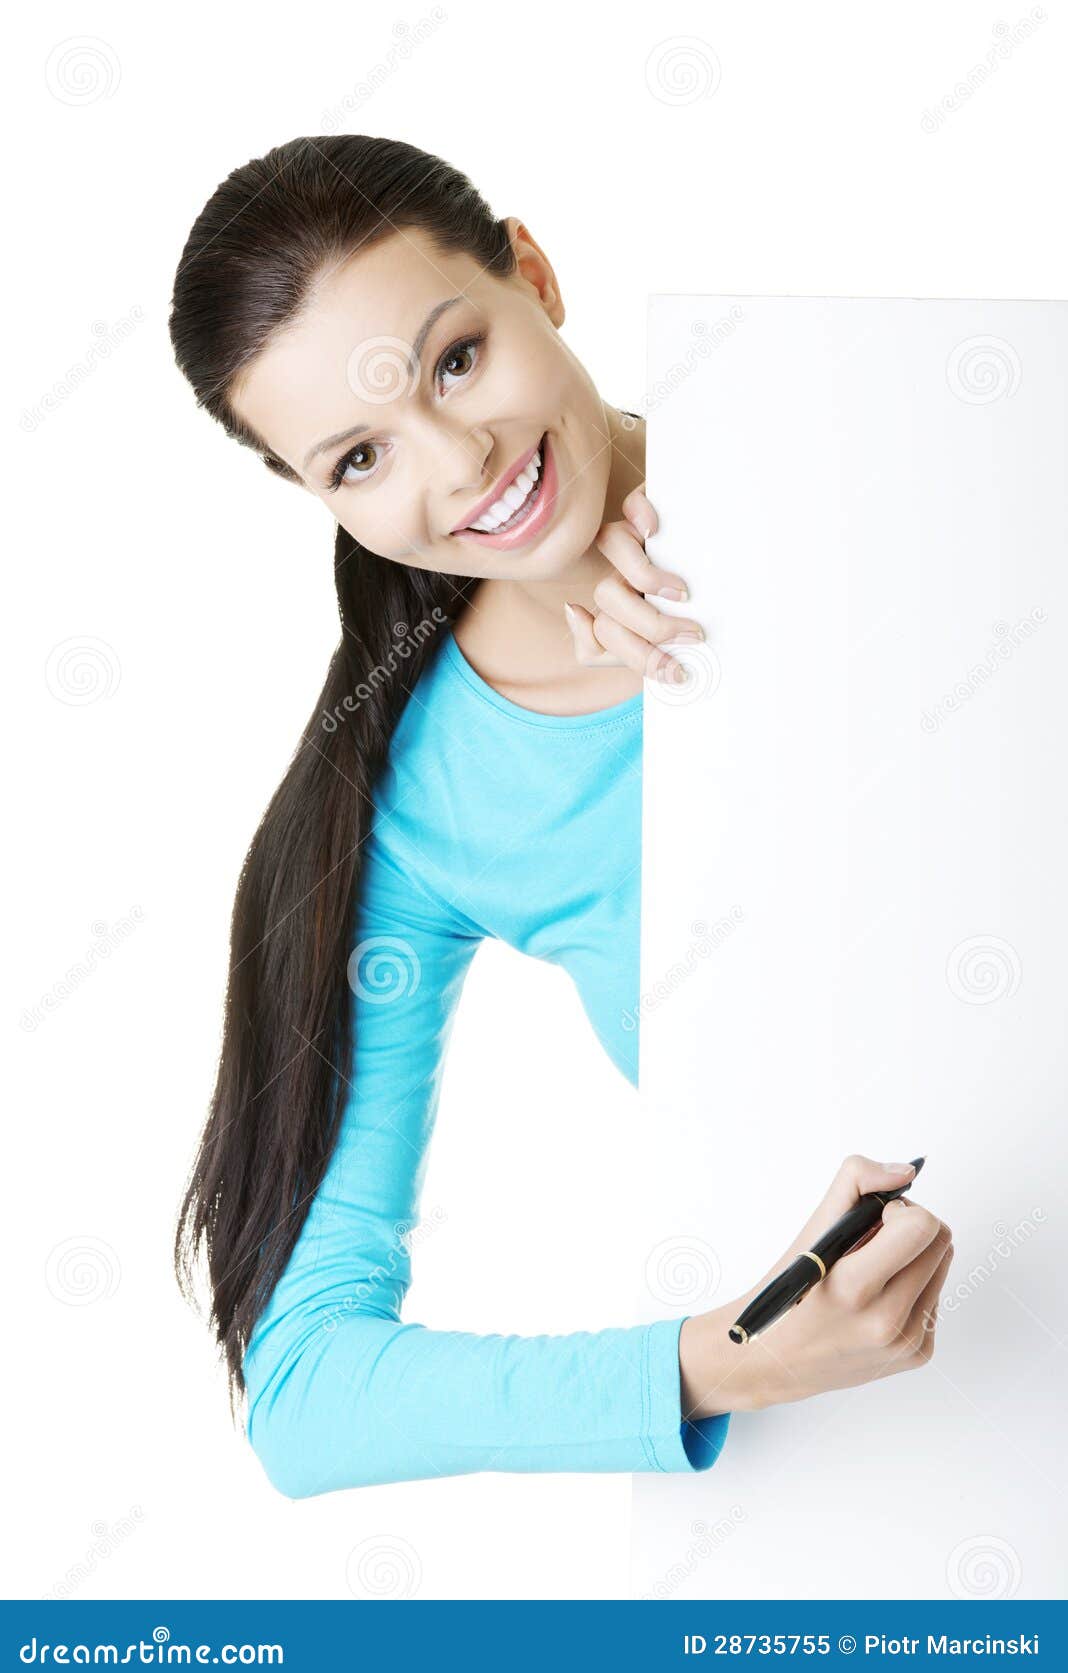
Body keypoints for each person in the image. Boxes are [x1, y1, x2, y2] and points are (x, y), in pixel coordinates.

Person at [169, 134, 954, 1498]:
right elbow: (303, 1387)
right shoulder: (421, 801)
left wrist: (761, 603)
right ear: (319, 498)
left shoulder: (867, 422)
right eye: (361, 455)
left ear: (532, 272)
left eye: (455, 358)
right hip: (941, 1447)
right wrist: (714, 1364)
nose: (460, 460)